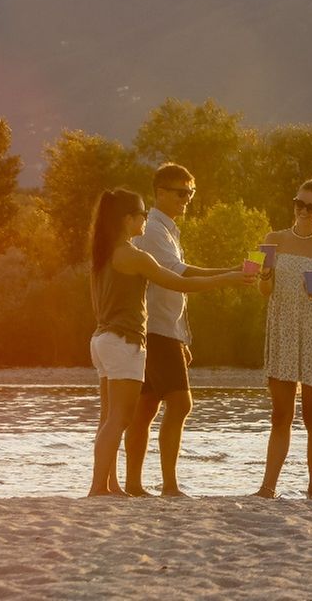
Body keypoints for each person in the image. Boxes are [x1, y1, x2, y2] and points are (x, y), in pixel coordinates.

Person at [86, 188, 252, 498]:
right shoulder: (134, 256)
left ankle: (110, 485)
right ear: (127, 219)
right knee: (120, 418)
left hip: (102, 340)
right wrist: (227, 279)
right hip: (124, 341)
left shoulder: (105, 254)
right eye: (141, 215)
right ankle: (98, 487)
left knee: (109, 418)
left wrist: (230, 273)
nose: (145, 219)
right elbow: (180, 282)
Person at [122, 162, 242, 497]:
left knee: (146, 407)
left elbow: (178, 276)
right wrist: (228, 276)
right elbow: (177, 275)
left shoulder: (168, 229)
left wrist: (183, 337)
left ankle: (135, 484)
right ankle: (169, 486)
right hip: (157, 329)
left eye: (190, 193)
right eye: (181, 193)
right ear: (160, 192)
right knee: (180, 403)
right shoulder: (153, 230)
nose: (187, 199)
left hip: (163, 329)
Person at [255, 174, 312, 498]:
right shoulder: (272, 239)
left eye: (311, 207)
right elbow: (262, 289)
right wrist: (264, 272)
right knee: (280, 414)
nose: (304, 211)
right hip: (282, 328)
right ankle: (267, 488)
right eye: (299, 204)